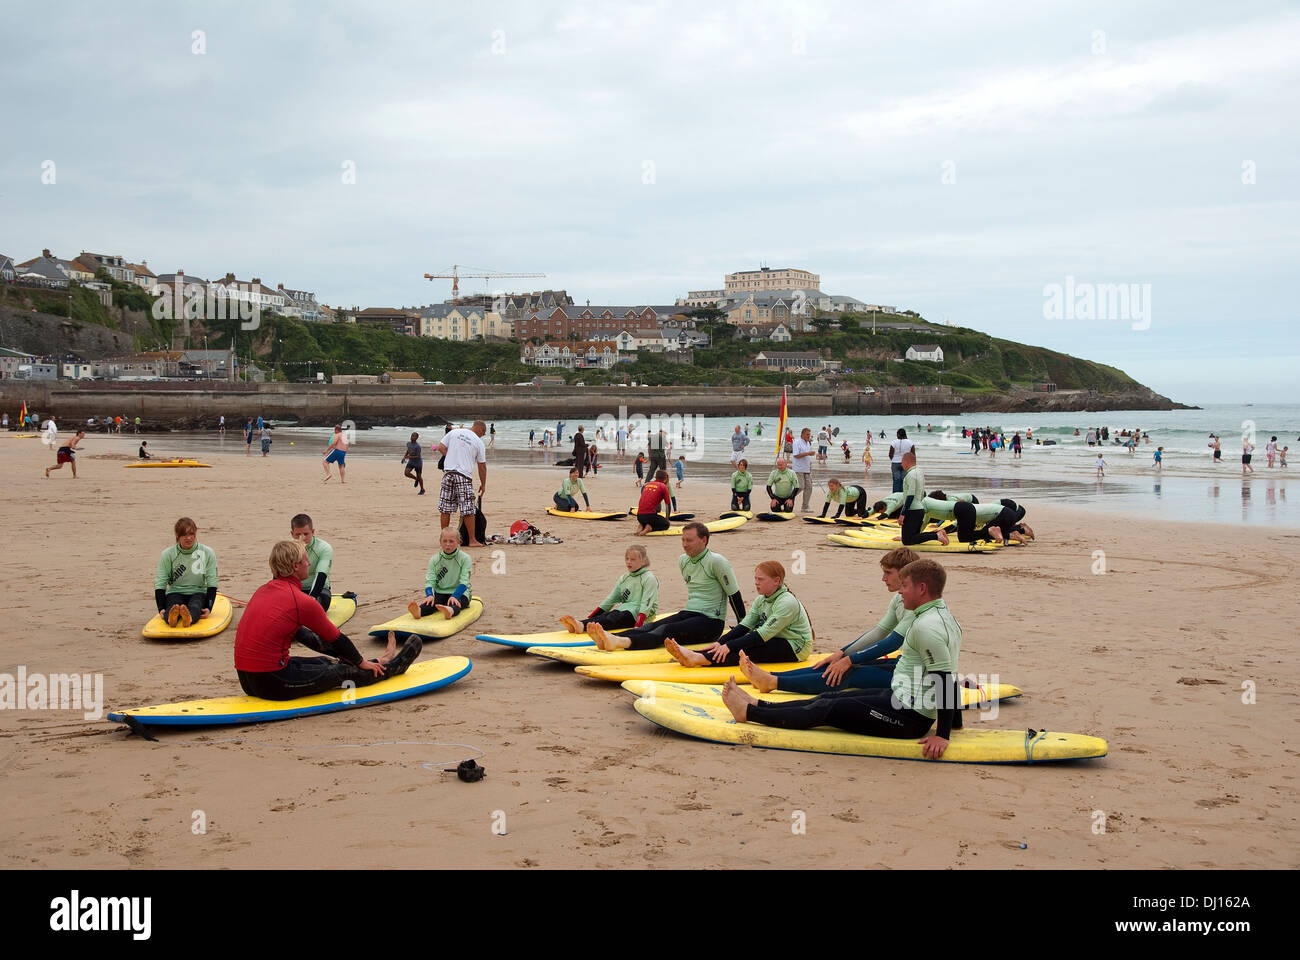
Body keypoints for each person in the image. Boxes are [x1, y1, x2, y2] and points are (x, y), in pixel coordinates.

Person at [719, 558, 963, 759]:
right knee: (829, 696)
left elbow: (945, 678)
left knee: (829, 709)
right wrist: (956, 722)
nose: (900, 591)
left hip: (909, 718)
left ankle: (749, 714)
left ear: (922, 589)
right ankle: (760, 704)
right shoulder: (939, 615)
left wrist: (942, 734)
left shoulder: (927, 626)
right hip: (900, 698)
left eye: (905, 586)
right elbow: (949, 667)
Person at [235, 539, 420, 701]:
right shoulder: (300, 601)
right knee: (340, 672)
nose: (309, 563)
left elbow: (309, 639)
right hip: (272, 683)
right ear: (295, 567)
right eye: (305, 559)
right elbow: (336, 639)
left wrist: (358, 659)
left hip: (247, 680)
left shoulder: (263, 590)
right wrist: (361, 662)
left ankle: (381, 660)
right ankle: (393, 667)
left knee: (323, 663)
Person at [741, 548, 921, 695]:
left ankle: (774, 683)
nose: (883, 578)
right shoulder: (900, 599)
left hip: (918, 681)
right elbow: (879, 632)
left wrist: (849, 660)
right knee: (836, 664)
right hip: (905, 665)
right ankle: (771, 676)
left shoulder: (917, 605)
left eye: (888, 573)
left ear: (906, 575)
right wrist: (842, 653)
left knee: (848, 672)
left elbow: (891, 642)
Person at [589, 522, 744, 651]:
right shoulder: (683, 561)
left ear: (703, 540)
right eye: (682, 540)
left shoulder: (717, 561)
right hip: (689, 613)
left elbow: (734, 595)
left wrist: (743, 629)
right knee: (652, 626)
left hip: (711, 622)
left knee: (667, 631)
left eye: (689, 541)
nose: (684, 545)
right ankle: (612, 638)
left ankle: (622, 642)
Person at [663, 560, 812, 668]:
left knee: (747, 651)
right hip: (776, 638)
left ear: (776, 581)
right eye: (755, 578)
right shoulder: (762, 599)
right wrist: (721, 642)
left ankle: (697, 659)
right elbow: (745, 625)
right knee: (739, 643)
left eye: (760, 579)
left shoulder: (786, 603)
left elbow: (762, 635)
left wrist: (729, 646)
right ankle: (695, 655)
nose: (756, 583)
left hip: (796, 646)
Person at [559, 545, 659, 637]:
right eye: (627, 559)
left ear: (643, 561)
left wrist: (639, 625)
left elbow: (646, 604)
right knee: (608, 615)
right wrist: (592, 617)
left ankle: (582, 626)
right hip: (626, 610)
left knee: (614, 618)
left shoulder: (649, 578)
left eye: (632, 559)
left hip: (642, 615)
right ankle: (580, 623)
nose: (628, 562)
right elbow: (611, 599)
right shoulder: (625, 578)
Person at [154, 517, 218, 628]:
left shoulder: (207, 552)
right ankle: (171, 618)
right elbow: (161, 581)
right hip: (175, 592)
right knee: (173, 607)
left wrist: (209, 607)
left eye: (191, 534)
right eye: (184, 535)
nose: (188, 538)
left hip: (198, 591)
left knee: (196, 606)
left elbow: (212, 581)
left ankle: (188, 618)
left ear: (196, 533)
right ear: (177, 535)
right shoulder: (168, 554)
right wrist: (161, 608)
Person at [435, 421, 488, 546]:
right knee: (468, 509)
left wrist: (452, 457)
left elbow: (441, 447)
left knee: (445, 508)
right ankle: (472, 540)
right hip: (463, 475)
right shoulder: (478, 442)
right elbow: (482, 466)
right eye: (484, 434)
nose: (482, 436)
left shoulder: (454, 432)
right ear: (481, 430)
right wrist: (483, 484)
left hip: (448, 473)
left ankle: (444, 538)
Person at [407, 527, 473, 620]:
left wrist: (455, 596)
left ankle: (450, 611)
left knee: (455, 603)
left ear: (458, 542)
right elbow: (430, 580)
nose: (447, 544)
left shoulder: (465, 558)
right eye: (444, 541)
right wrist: (429, 595)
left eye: (451, 541)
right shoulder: (435, 559)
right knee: (430, 603)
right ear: (440, 542)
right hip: (441, 592)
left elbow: (465, 581)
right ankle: (419, 611)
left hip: (460, 593)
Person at [898, 451, 948, 546]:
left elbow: (910, 496)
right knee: (914, 536)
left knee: (907, 541)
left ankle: (936, 535)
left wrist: (902, 514)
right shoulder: (919, 472)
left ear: (906, 461)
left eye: (902, 461)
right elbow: (921, 493)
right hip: (920, 509)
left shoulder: (911, 475)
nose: (901, 464)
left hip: (912, 510)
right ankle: (937, 533)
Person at [290, 514, 333, 612]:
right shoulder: (286, 549)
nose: (302, 538)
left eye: (306, 534)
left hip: (318, 589)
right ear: (292, 534)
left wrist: (312, 598)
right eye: (298, 535)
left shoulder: (324, 548)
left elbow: (321, 575)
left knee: (319, 607)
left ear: (312, 532)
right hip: (295, 589)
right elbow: (278, 575)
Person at [634, 468, 673, 534]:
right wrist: (667, 519)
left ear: (655, 477)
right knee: (666, 525)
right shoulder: (663, 486)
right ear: (665, 478)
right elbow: (668, 505)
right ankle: (650, 528)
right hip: (650, 516)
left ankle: (641, 525)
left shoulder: (648, 484)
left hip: (639, 516)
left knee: (652, 518)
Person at [889, 428, 914, 494]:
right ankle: (903, 496)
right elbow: (913, 455)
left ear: (898, 434)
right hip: (906, 463)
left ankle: (895, 496)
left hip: (895, 463)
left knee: (896, 480)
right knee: (904, 481)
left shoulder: (893, 442)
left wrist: (894, 460)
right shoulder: (910, 442)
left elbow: (890, 454)